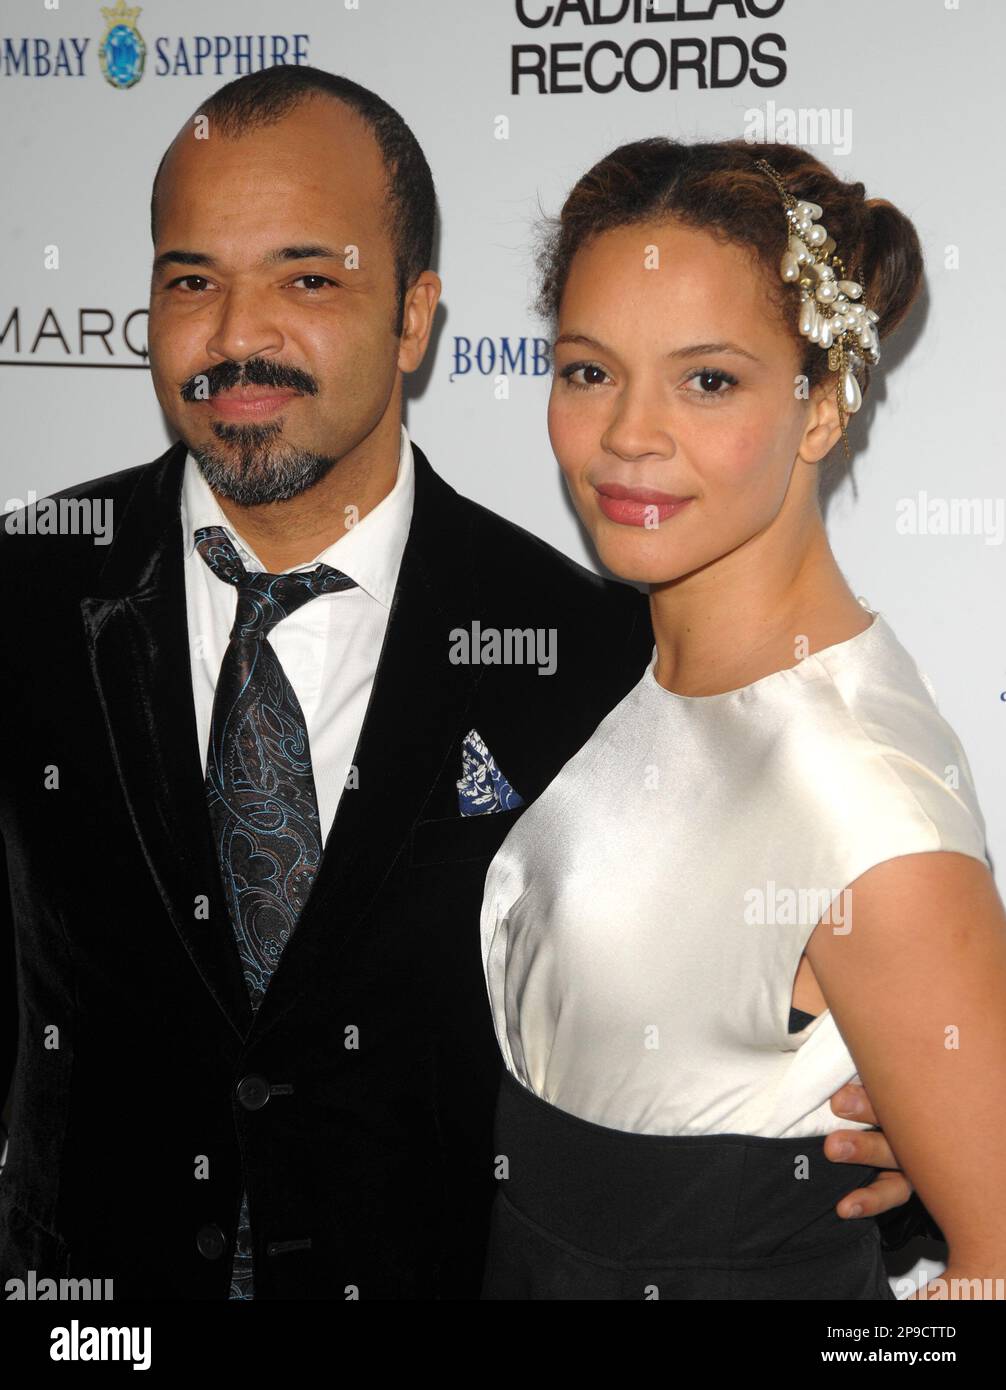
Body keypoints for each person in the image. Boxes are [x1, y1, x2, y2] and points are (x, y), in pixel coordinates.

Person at [0, 68, 917, 1302]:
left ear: (415, 315)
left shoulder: (594, 658)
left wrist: (882, 1124)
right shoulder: (24, 592)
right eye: (191, 280)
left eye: (306, 279)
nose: (235, 335)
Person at [479, 137, 1006, 1300]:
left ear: (822, 406)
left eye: (707, 380)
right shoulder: (607, 667)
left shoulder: (859, 794)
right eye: (587, 370)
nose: (628, 433)